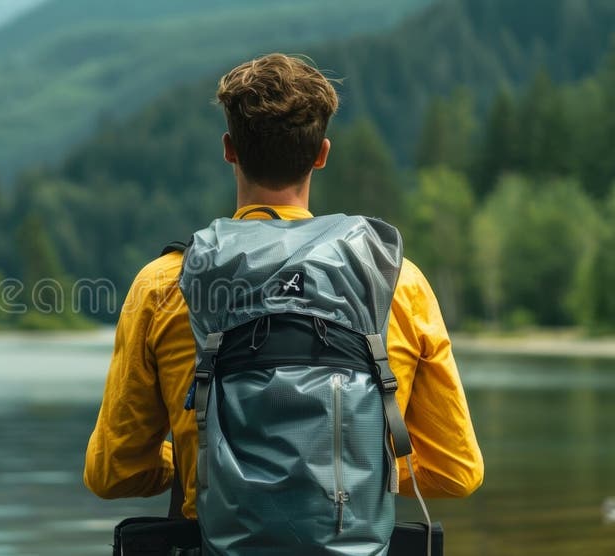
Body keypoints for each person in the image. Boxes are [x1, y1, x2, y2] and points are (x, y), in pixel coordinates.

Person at [83, 53, 483, 522]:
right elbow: (457, 471)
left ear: (229, 148)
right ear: (321, 154)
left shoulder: (165, 283)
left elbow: (113, 473)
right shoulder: (394, 280)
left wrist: (200, 465)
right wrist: (347, 469)